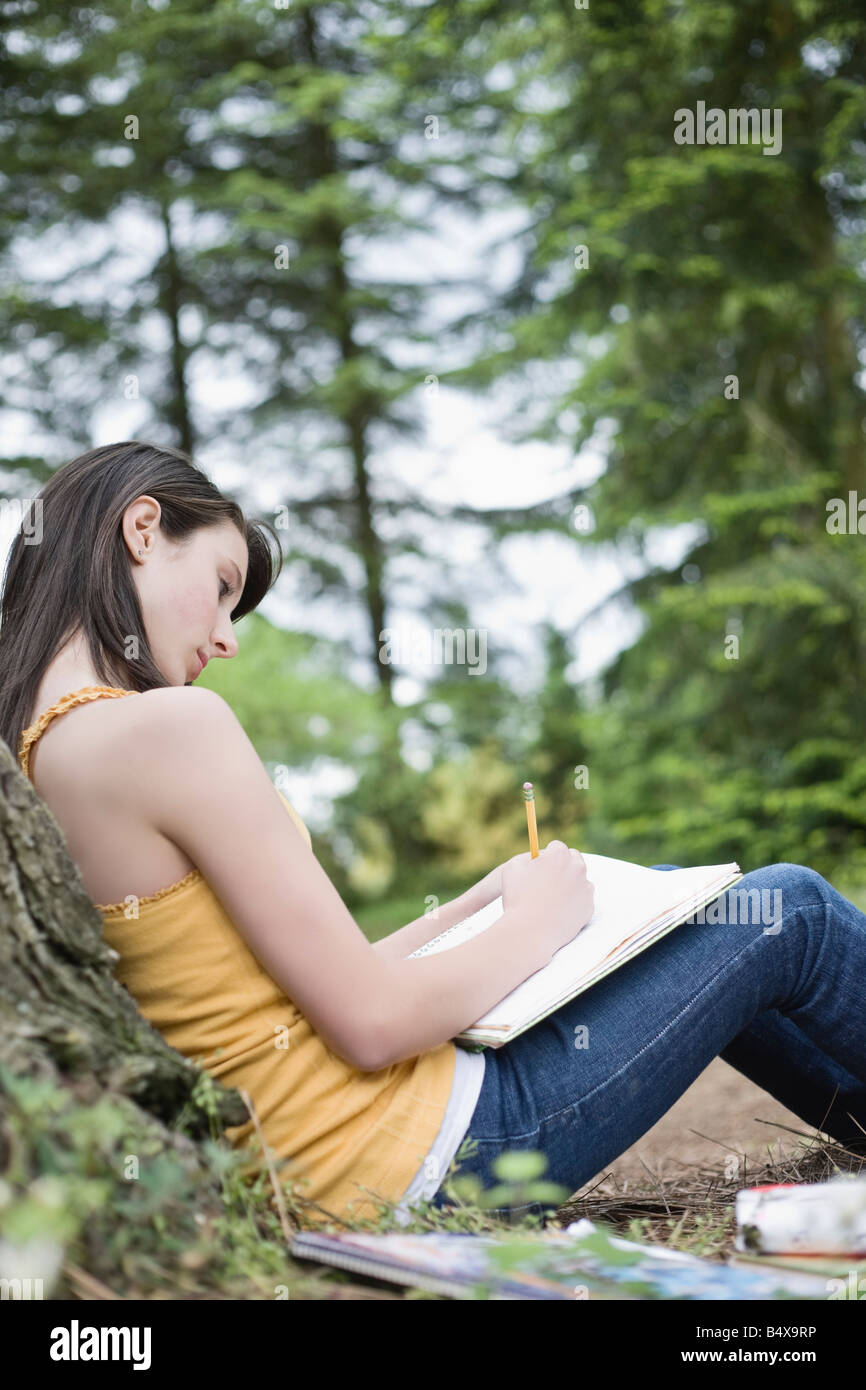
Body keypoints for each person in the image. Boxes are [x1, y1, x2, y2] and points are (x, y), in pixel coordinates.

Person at [3, 441, 866, 1230]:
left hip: (326, 1170)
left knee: (687, 901)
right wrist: (536, 926)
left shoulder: (45, 759)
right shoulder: (167, 730)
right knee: (781, 911)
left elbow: (325, 985)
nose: (226, 637)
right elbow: (373, 1024)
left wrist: (481, 904)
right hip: (426, 1158)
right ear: (143, 529)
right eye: (224, 585)